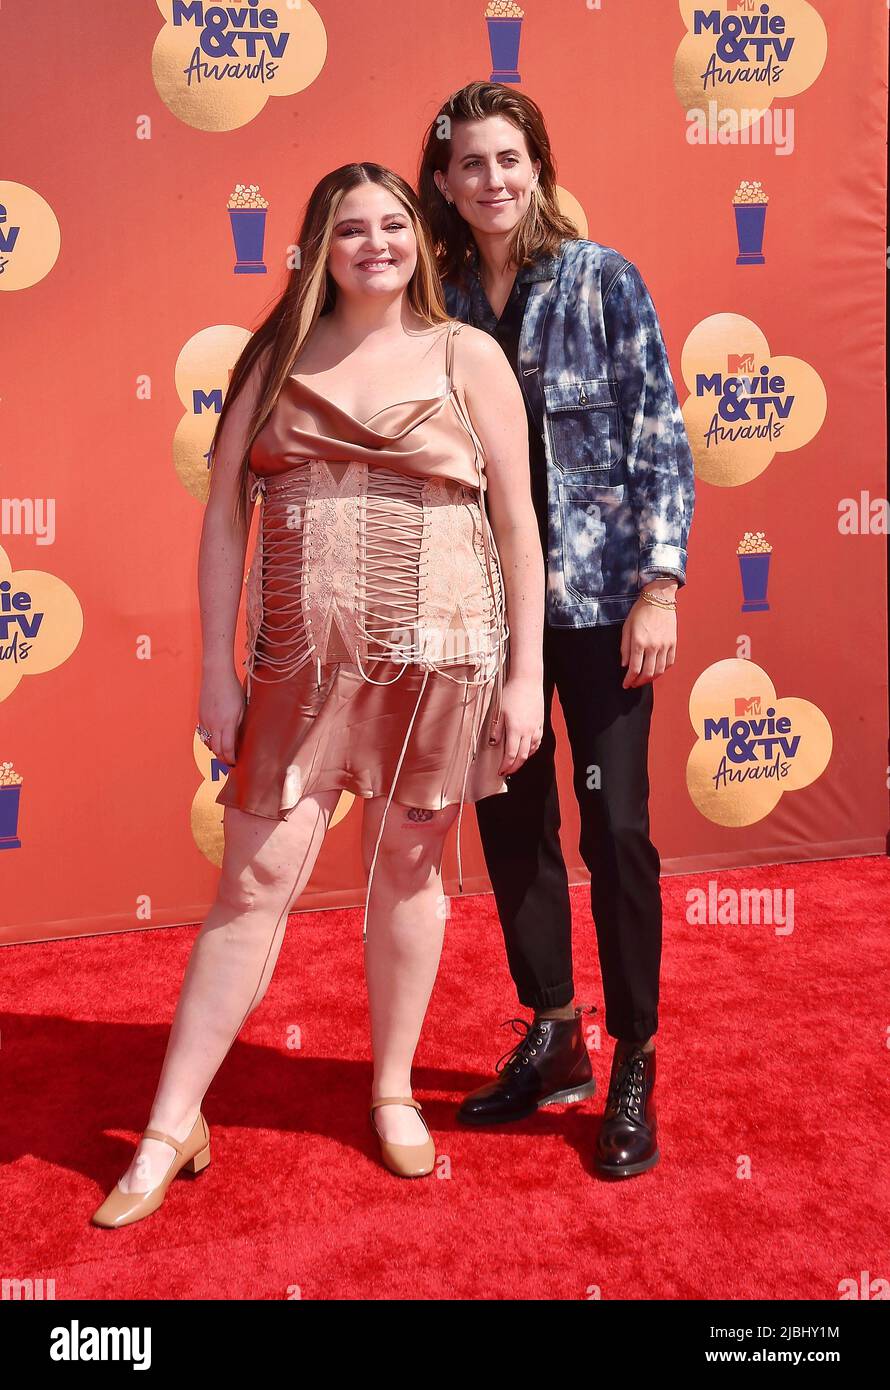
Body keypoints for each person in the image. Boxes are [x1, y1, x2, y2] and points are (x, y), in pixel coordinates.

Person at [91, 164, 544, 1227]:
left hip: (441, 657)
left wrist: (523, 674)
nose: (375, 243)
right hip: (298, 668)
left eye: (393, 224)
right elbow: (221, 523)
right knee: (251, 887)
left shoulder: (464, 354)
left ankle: (388, 1089)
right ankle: (169, 1122)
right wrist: (217, 669)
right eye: (350, 229)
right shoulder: (275, 353)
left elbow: (519, 524)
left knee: (406, 867)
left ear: (417, 240)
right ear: (317, 245)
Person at [417, 81, 695, 1178]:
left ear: (538, 164)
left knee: (614, 828)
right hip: (485, 614)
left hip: (602, 610)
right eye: (470, 163)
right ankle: (552, 1030)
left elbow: (659, 433)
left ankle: (632, 1054)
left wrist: (660, 586)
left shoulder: (600, 280)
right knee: (509, 826)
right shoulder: (433, 306)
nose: (492, 179)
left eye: (509, 158)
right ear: (442, 181)